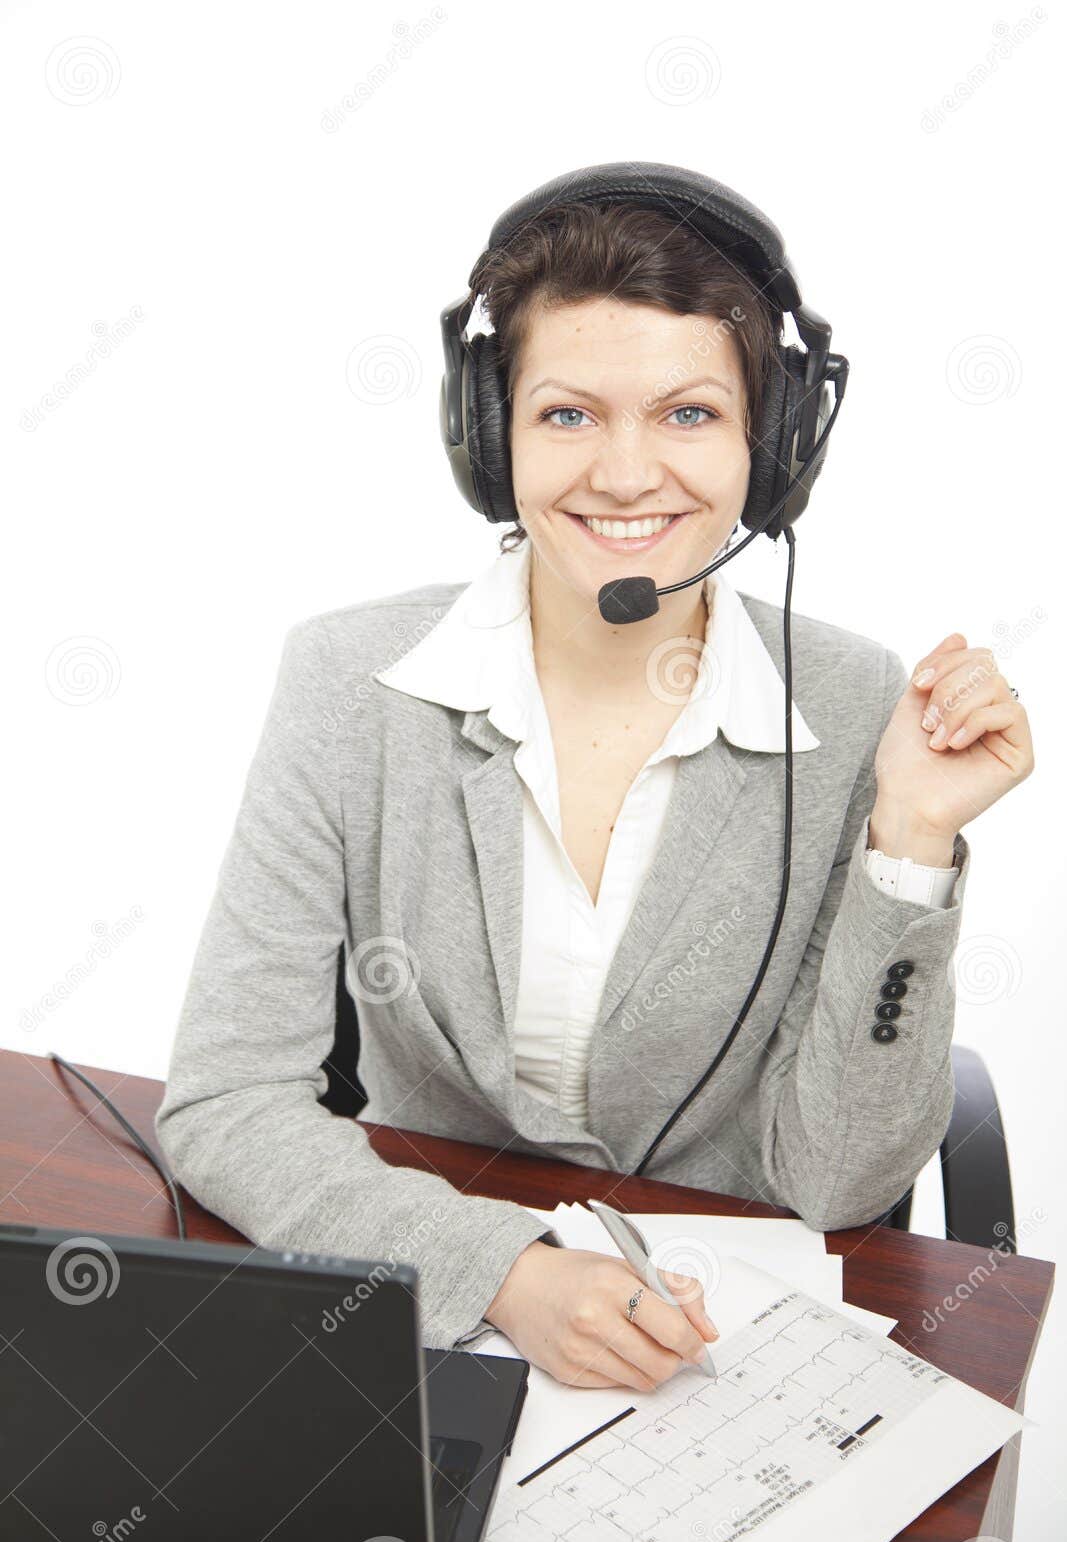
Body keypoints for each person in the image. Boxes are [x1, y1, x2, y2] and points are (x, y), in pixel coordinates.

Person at [155, 195, 1034, 1395]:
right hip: (435, 1314)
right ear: (486, 434)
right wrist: (504, 1272)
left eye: (689, 412)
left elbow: (833, 1179)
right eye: (566, 413)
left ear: (769, 450)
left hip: (721, 1348)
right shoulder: (349, 683)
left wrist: (909, 840)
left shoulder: (849, 698)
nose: (626, 475)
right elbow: (226, 1099)